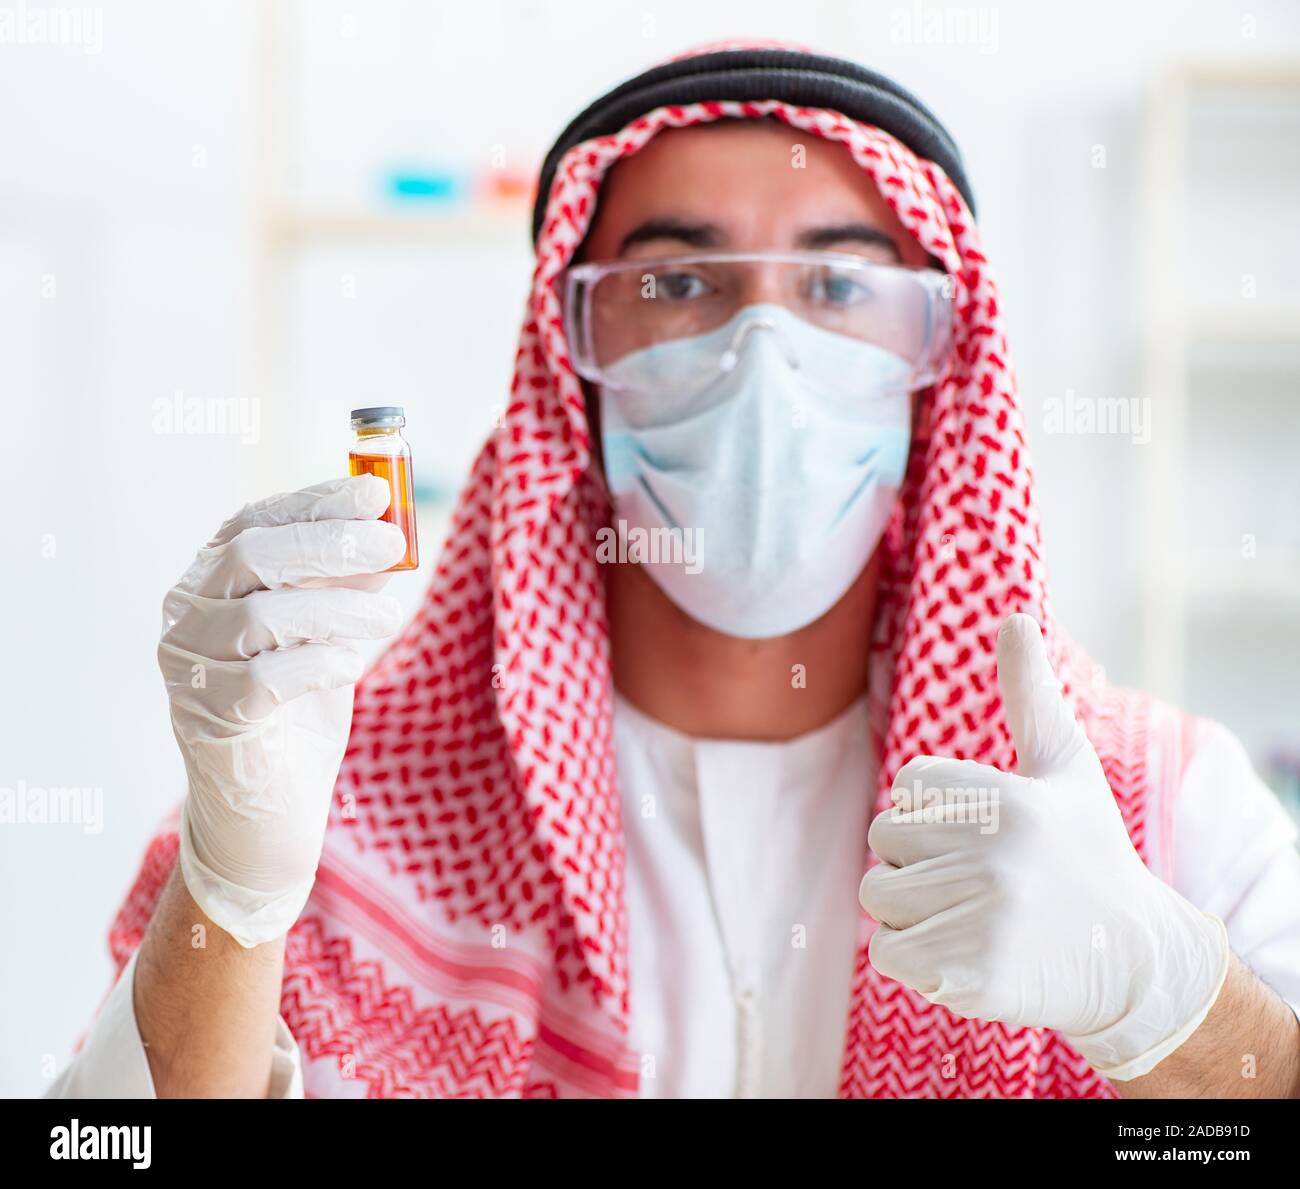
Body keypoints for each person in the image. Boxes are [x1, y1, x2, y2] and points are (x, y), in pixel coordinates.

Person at [50, 43, 1300, 1099]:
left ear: (935, 352)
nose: (764, 349)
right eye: (678, 280)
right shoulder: (325, 815)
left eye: (838, 283)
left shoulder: (1161, 820)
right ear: (576, 355)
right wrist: (232, 892)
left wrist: (1165, 996)